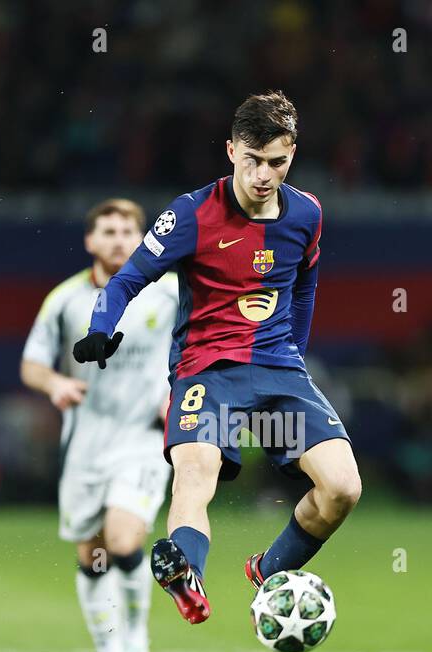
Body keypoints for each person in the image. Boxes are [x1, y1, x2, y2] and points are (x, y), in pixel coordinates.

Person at [72, 91, 361, 624]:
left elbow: (304, 288)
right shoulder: (191, 214)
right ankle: (188, 576)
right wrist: (99, 329)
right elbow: (127, 279)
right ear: (231, 151)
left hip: (278, 371)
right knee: (195, 474)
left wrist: (295, 354)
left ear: (291, 154)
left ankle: (270, 569)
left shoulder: (307, 214)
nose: (262, 175)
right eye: (252, 160)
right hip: (207, 370)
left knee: (343, 488)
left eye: (276, 162)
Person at [21, 199, 177, 652]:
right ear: (90, 240)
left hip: (143, 440)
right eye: (107, 230)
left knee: (124, 539)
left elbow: (198, 348)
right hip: (86, 444)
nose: (118, 238)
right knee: (93, 556)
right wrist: (54, 387)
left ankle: (136, 644)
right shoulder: (64, 299)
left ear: (141, 236)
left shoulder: (170, 291)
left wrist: (179, 392)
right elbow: (32, 364)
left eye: (128, 229)